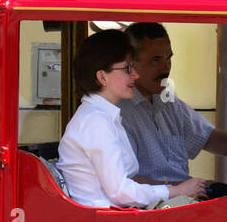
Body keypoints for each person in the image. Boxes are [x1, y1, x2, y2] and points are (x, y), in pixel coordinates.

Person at [58, 30, 206, 208]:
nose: (135, 75)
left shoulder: (103, 116)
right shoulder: (95, 121)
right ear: (102, 77)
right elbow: (120, 191)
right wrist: (176, 191)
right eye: (128, 68)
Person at [119, 23, 227, 193]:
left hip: (183, 202)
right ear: (131, 63)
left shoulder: (167, 101)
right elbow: (124, 182)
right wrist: (183, 189)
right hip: (147, 209)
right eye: (156, 60)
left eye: (169, 58)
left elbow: (206, 137)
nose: (166, 67)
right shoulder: (119, 111)